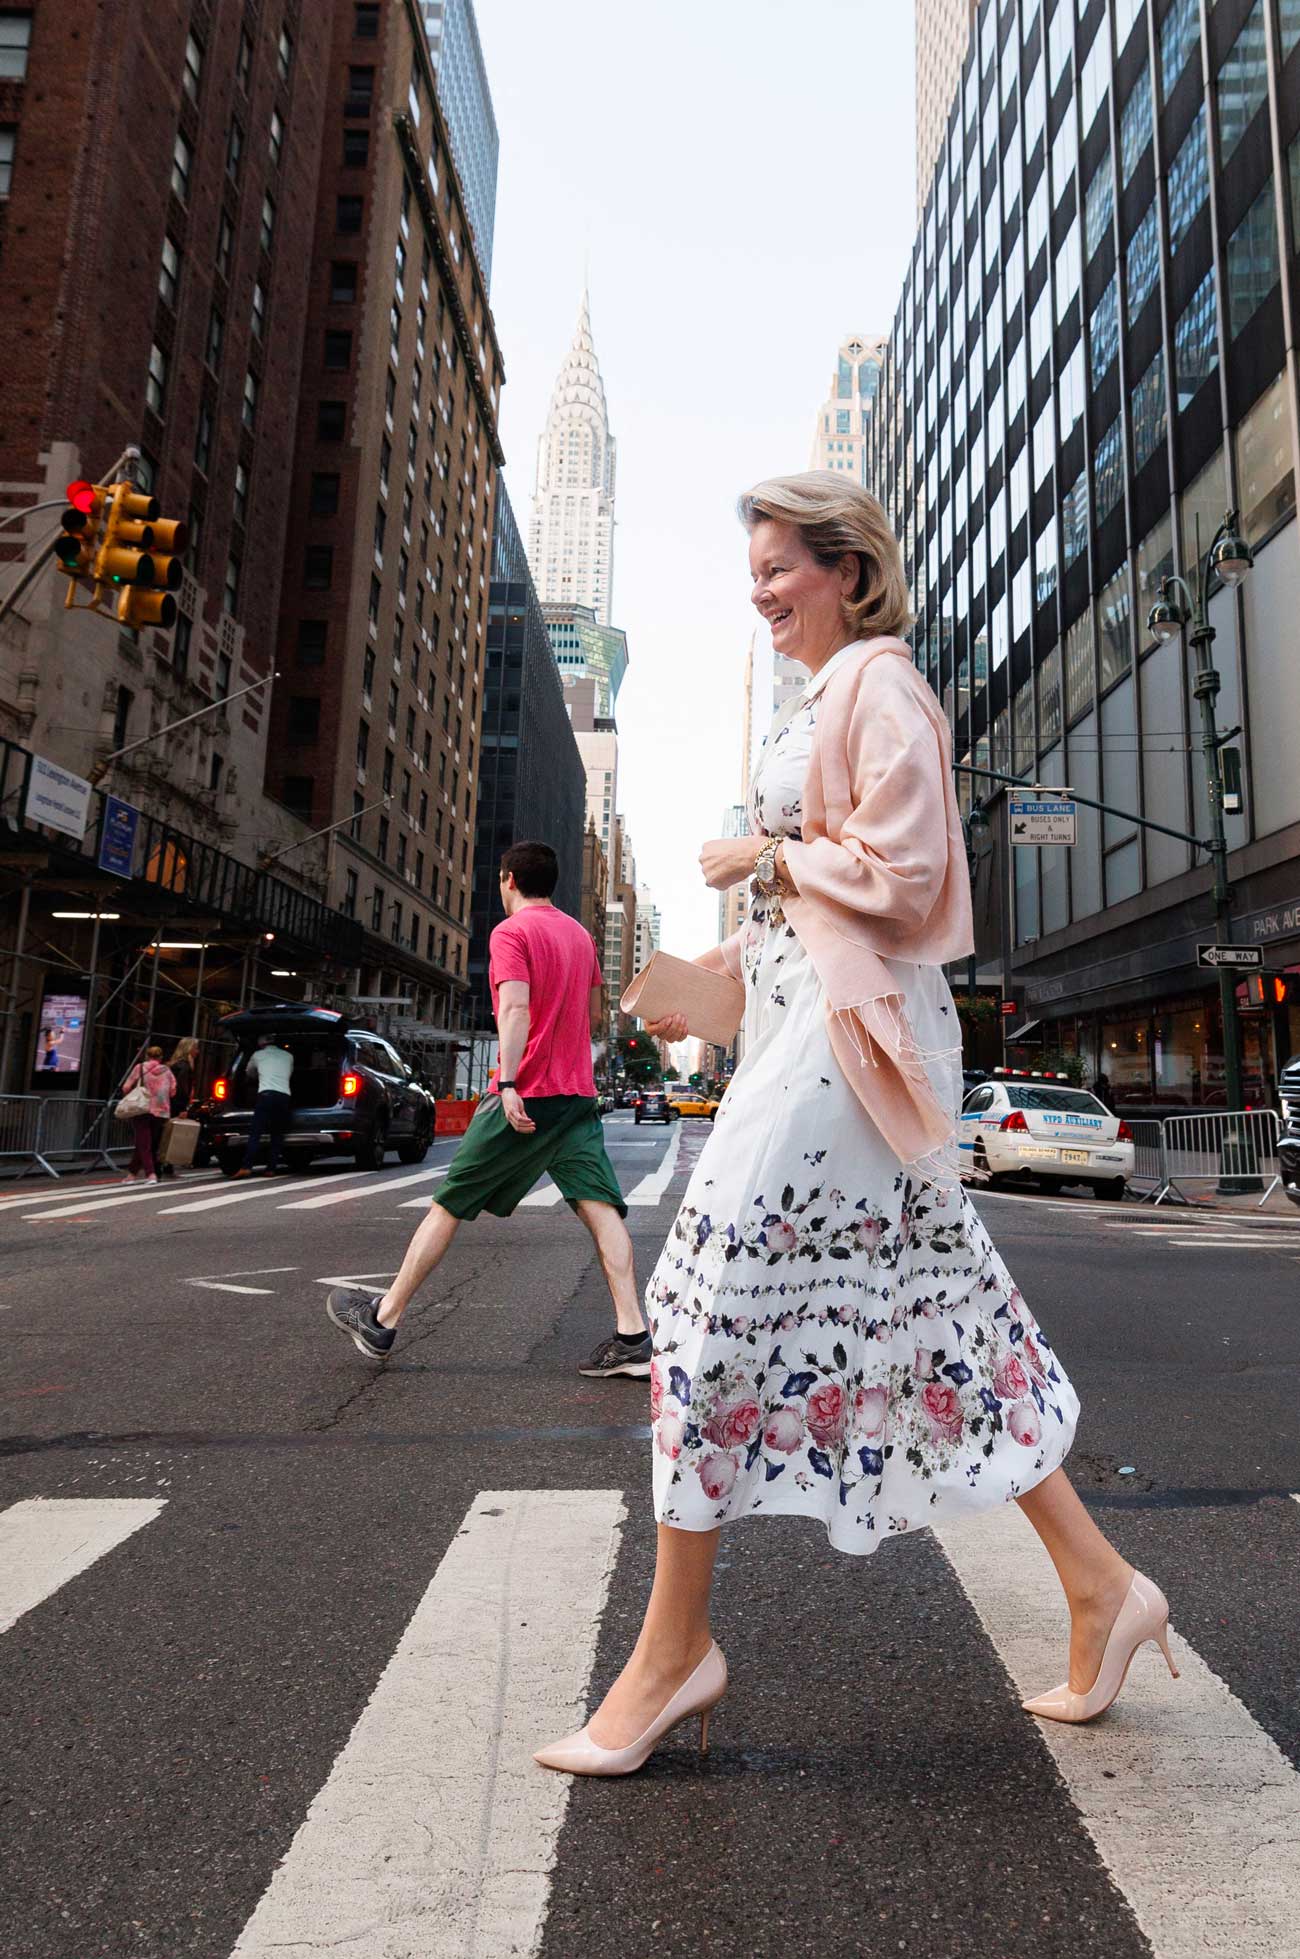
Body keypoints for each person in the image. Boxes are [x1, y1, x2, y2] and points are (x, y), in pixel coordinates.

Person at [534, 472, 1178, 1777]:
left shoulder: (884, 687)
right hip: (803, 1030)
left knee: (707, 1310)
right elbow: (828, 902)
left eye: (781, 568)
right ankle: (1103, 1586)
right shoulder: (821, 697)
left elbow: (910, 878)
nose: (762, 592)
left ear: (848, 568)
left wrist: (761, 859)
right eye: (753, 572)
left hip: (844, 1051)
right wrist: (728, 959)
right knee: (944, 1322)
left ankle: (673, 1652)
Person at [325, 840, 651, 1378]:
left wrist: (510, 1081)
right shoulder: (581, 936)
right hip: (576, 1098)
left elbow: (516, 1008)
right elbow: (593, 1016)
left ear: (509, 880)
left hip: (526, 1094)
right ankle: (633, 1335)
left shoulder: (511, 933)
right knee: (601, 1208)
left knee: (449, 1203)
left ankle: (382, 1320)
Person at [233, 1035, 294, 1178]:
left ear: (261, 1044)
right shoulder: (289, 1056)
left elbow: (249, 1072)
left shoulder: (257, 1055)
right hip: (284, 1096)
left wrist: (258, 1076)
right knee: (277, 1133)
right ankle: (271, 1168)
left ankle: (246, 1166)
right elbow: (289, 1074)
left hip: (266, 1095)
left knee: (256, 1132)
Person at [120, 1045, 176, 1185]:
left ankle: (151, 1174)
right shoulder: (167, 1071)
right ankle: (131, 1174)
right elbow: (173, 1091)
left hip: (142, 1109)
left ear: (147, 1056)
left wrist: (132, 1095)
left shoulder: (139, 1068)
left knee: (144, 1143)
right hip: (161, 1111)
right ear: (161, 1057)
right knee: (145, 1142)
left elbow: (126, 1087)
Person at [158, 1036, 199, 1179]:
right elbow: (182, 1088)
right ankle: (165, 1165)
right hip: (176, 1104)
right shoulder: (184, 1067)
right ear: (189, 1049)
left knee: (165, 1133)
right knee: (171, 1135)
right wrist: (183, 1108)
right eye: (195, 1048)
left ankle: (163, 1165)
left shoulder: (174, 1065)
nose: (197, 1051)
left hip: (167, 1102)